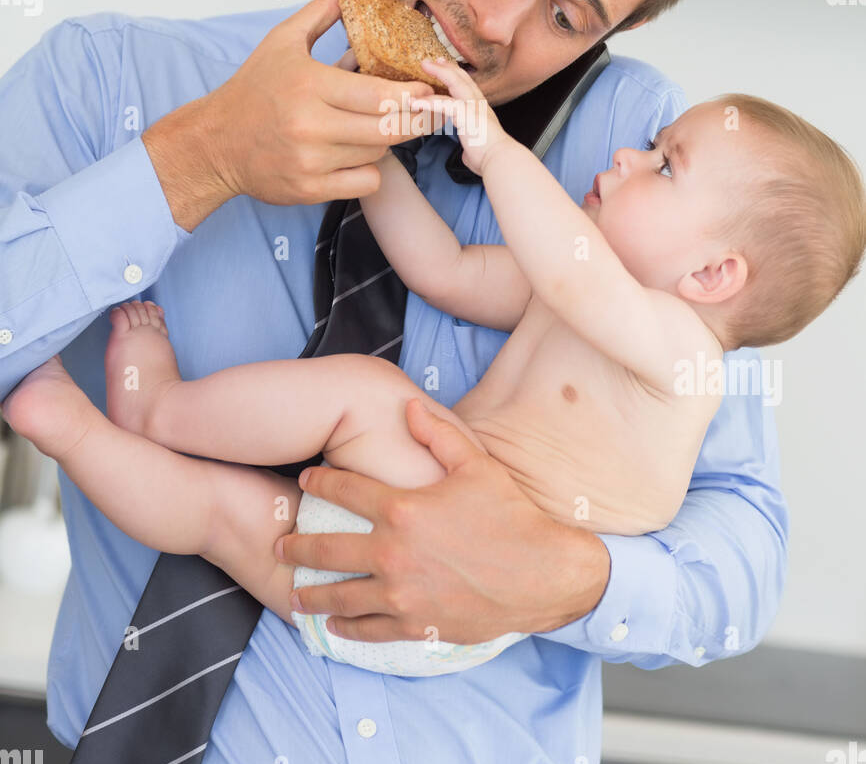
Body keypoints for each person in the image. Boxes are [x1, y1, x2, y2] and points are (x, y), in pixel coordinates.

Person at [0, 0, 789, 764]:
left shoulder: (624, 163)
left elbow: (743, 540)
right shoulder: (114, 81)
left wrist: (565, 571)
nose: (497, 24)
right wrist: (200, 160)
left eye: (568, 15)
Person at [6, 62, 863, 681]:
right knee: (219, 515)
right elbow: (444, 267)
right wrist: (372, 161)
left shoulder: (683, 359)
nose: (622, 161)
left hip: (460, 591)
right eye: (648, 147)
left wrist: (493, 151)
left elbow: (571, 268)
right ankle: (74, 430)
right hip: (387, 593)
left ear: (714, 277)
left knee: (373, 397)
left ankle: (160, 411)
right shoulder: (572, 292)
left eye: (663, 165)